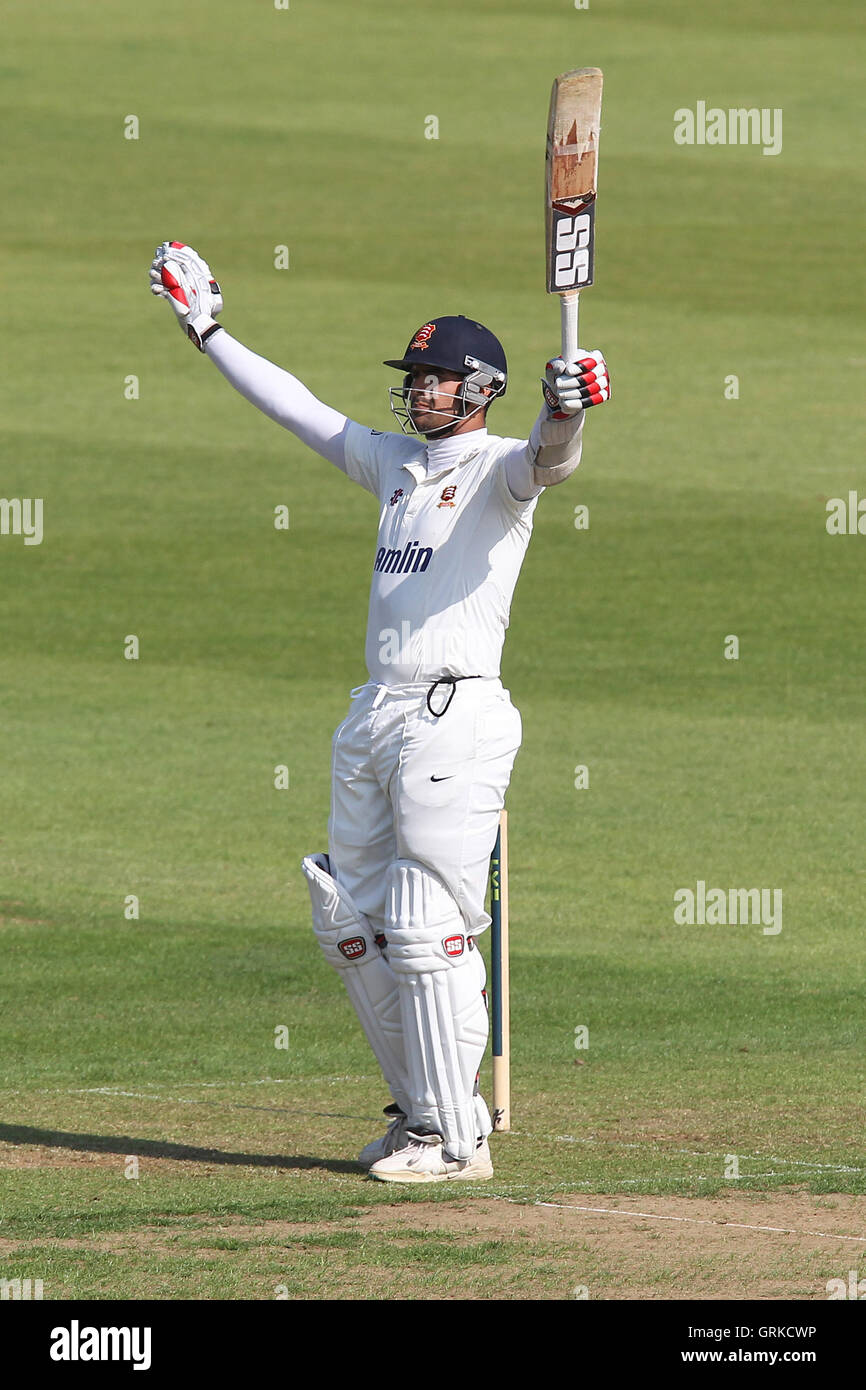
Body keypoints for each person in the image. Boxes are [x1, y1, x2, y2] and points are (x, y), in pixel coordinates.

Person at [149, 240, 610, 1184]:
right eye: (417, 380)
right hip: (375, 711)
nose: (420, 392)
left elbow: (552, 460)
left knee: (423, 916)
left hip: (454, 713)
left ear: (477, 390)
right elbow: (300, 408)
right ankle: (420, 1115)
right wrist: (209, 332)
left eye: (436, 380)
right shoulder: (395, 464)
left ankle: (458, 1141)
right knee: (349, 920)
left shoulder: (498, 473)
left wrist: (563, 407)